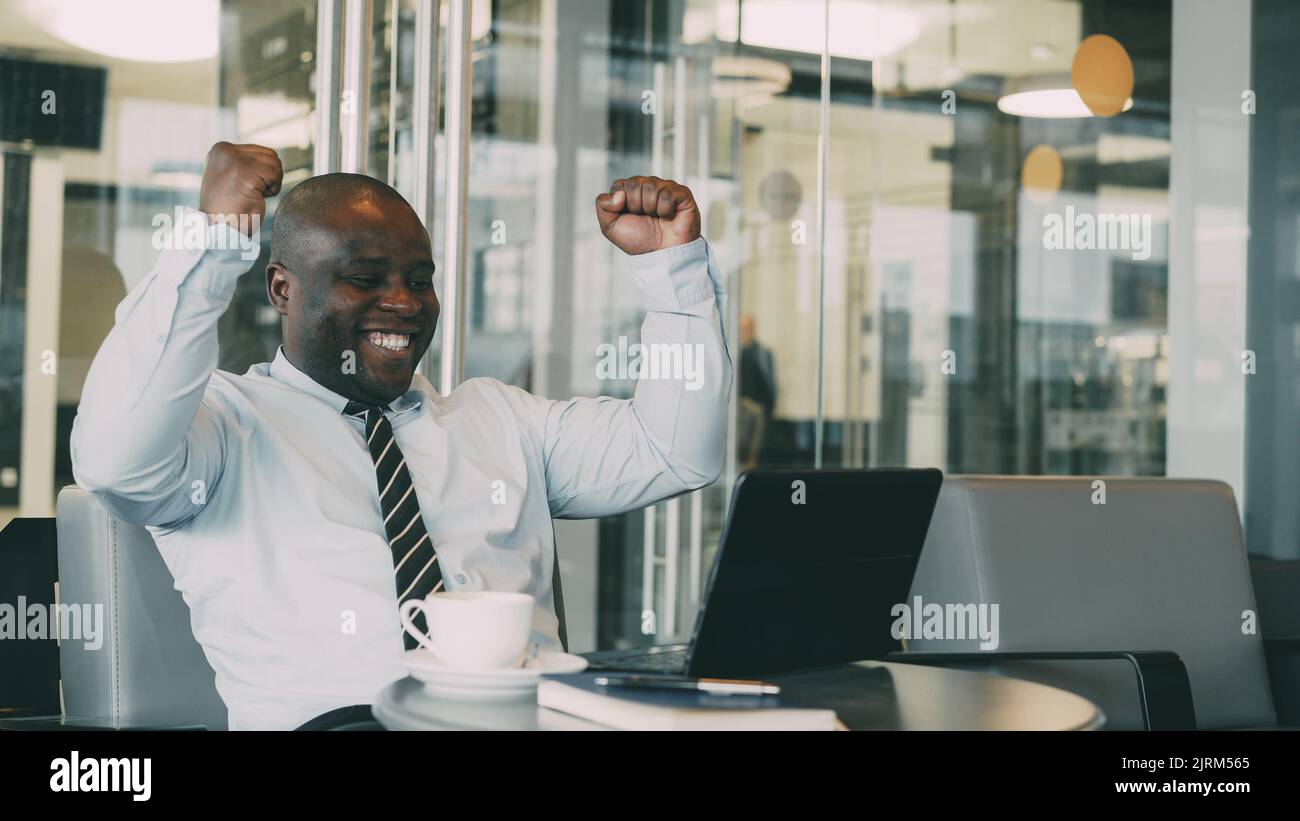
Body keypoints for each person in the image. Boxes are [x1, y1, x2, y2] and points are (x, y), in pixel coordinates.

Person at [70, 142, 731, 730]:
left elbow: (673, 449)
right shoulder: (224, 429)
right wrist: (216, 240)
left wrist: (671, 272)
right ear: (281, 289)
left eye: (420, 281)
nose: (406, 303)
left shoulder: (501, 420)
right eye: (366, 279)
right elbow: (115, 463)